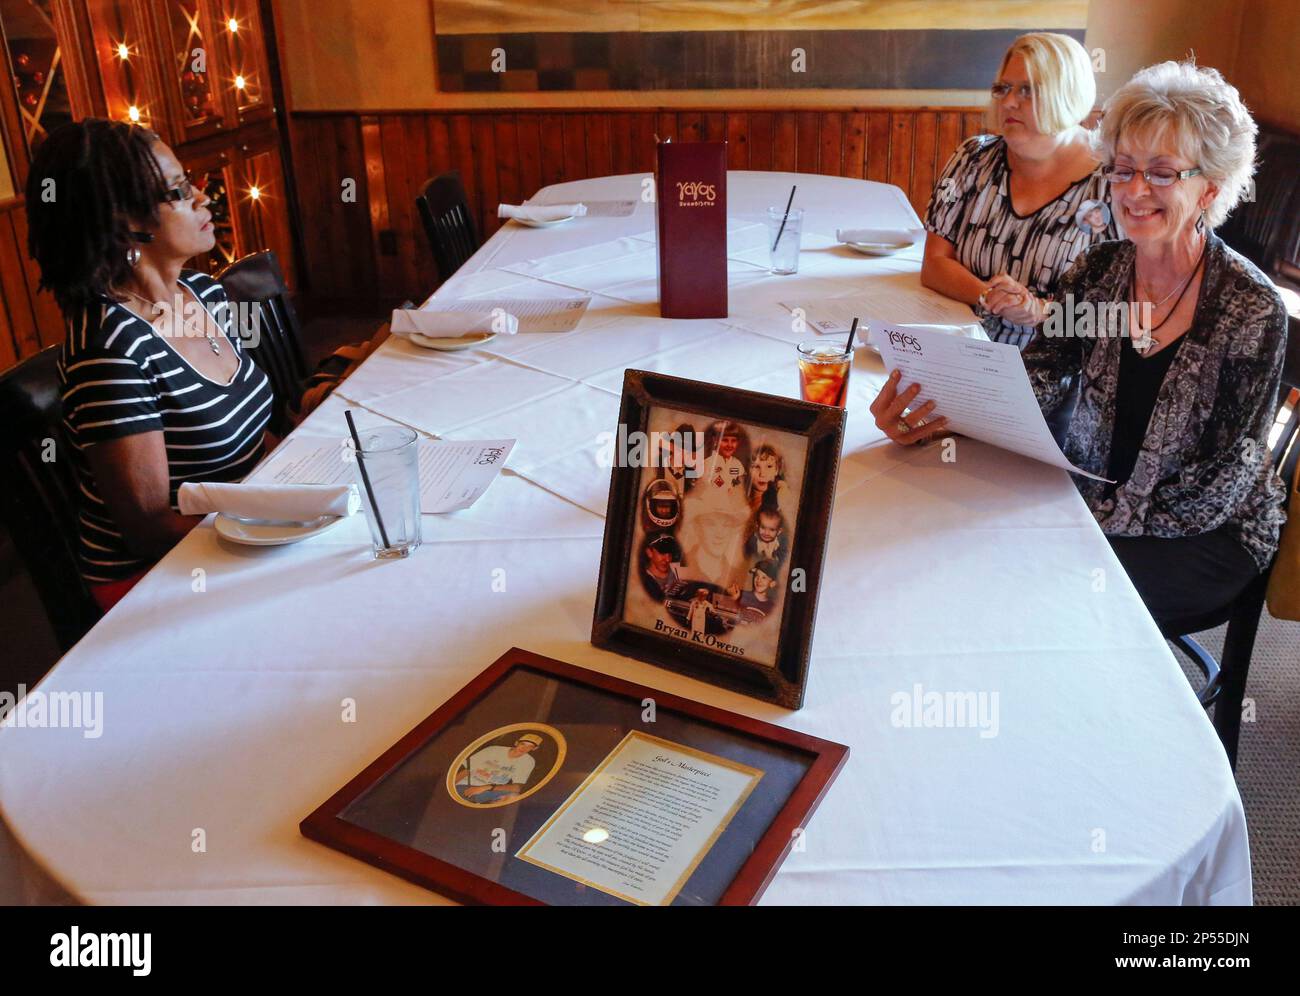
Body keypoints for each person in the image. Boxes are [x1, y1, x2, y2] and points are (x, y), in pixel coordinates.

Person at [881, 61, 1288, 629]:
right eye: (1123, 169)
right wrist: (941, 413)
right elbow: (1036, 381)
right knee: (951, 541)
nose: (1135, 190)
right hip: (1090, 497)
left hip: (1203, 536)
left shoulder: (1249, 307)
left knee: (1035, 596)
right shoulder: (1099, 273)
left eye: (1162, 173)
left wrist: (1083, 522)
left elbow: (1218, 482)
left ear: (1210, 188)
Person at [26, 119, 274, 611]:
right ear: (122, 221)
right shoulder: (110, 349)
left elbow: (251, 436)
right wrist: (275, 527)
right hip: (158, 581)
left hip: (241, 533)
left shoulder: (203, 294)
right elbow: (148, 529)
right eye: (179, 191)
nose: (204, 197)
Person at [922, 32, 1119, 350]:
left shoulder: (1113, 184)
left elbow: (1122, 314)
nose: (1009, 102)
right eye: (1003, 88)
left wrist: (1040, 310)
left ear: (1067, 93)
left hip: (1056, 373)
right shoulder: (973, 158)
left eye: (1028, 90)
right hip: (962, 347)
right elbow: (933, 264)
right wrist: (988, 296)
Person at [455, 733, 544, 804]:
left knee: (513, 796)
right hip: (466, 785)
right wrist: (450, 788)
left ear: (535, 748)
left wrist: (486, 787)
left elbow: (517, 788)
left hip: (490, 790)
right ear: (516, 743)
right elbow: (466, 770)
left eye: (530, 746)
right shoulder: (493, 750)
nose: (524, 748)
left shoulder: (528, 761)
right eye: (523, 744)